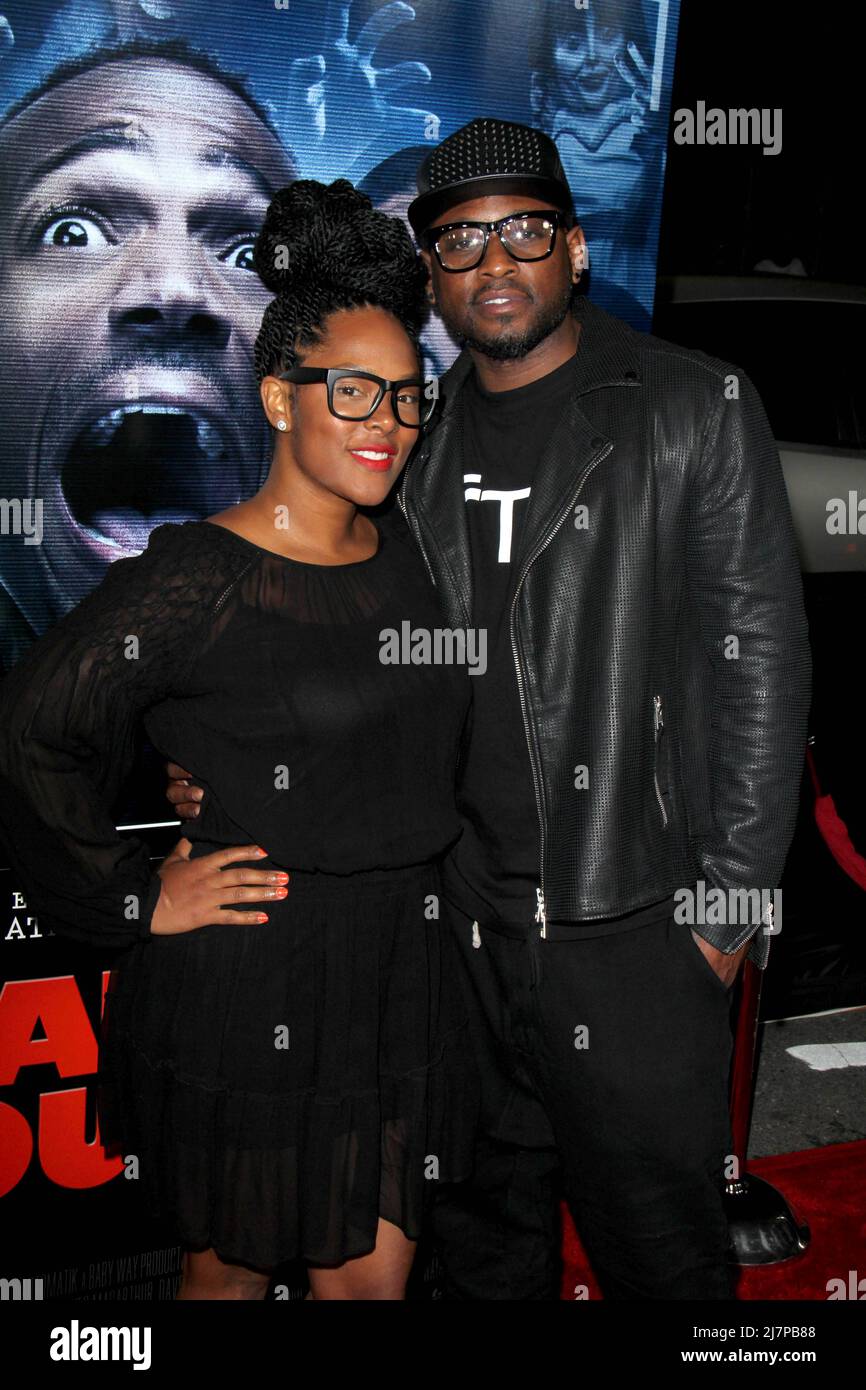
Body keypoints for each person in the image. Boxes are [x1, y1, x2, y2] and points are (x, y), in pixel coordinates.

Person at [171, 116, 813, 1301]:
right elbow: (333, 648)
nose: (493, 263)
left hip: (633, 925)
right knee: (475, 1253)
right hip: (452, 928)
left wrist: (717, 927)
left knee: (662, 1261)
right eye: (460, 243)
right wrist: (216, 757)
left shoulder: (689, 406)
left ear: (572, 249)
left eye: (522, 231)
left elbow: (760, 674)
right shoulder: (411, 436)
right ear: (430, 277)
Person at [0, 177, 479, 1300]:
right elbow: (27, 733)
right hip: (254, 977)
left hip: (397, 978)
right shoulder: (196, 577)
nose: (385, 426)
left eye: (407, 398)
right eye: (352, 392)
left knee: (371, 1290)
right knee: (228, 1287)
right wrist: (133, 894)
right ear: (277, 398)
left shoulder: (406, 549)